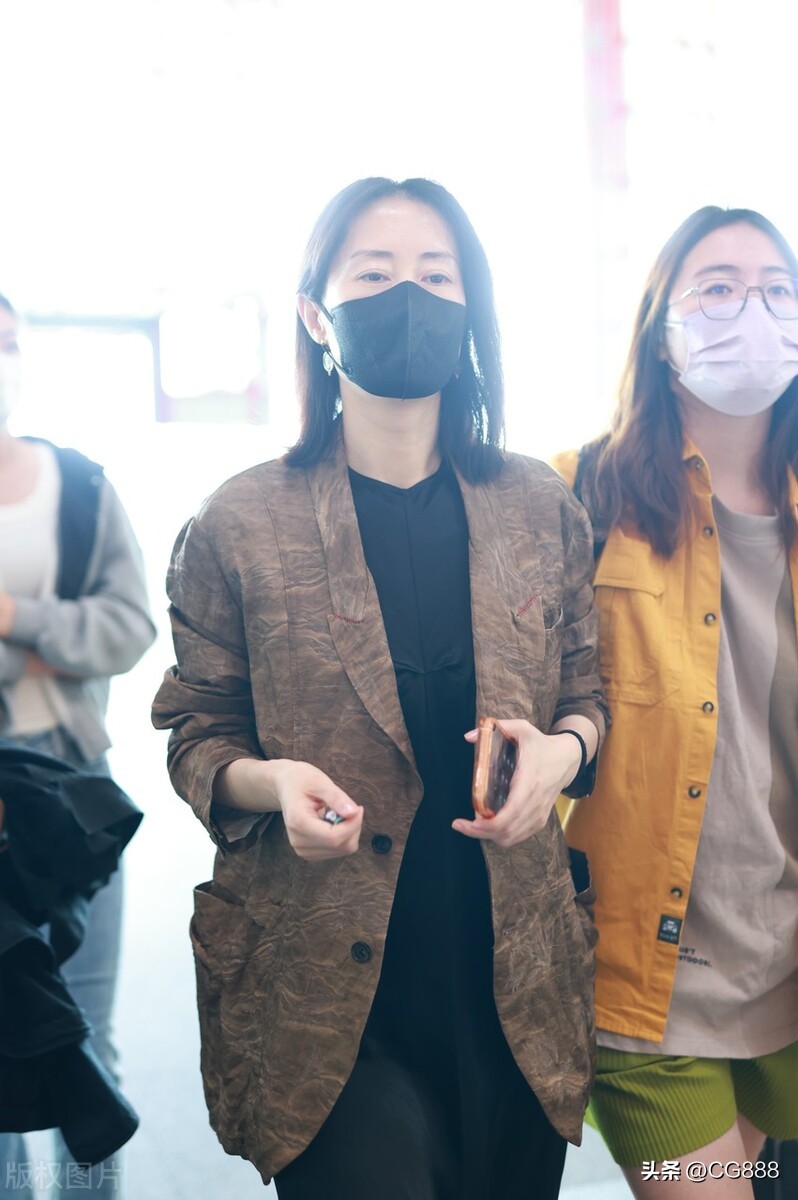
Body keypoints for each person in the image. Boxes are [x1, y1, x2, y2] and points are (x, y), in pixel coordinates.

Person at [151, 175, 609, 1200]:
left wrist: (561, 753)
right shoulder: (242, 522)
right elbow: (195, 733)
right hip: (324, 987)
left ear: (471, 308)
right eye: (375, 272)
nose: (409, 294)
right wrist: (270, 785)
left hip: (514, 977)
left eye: (436, 275)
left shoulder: (539, 504)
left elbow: (589, 690)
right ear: (318, 312)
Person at [553, 207, 798, 1200]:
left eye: (778, 288)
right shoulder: (582, 492)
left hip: (783, 961)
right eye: (718, 287)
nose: (755, 309)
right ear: (662, 330)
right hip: (647, 987)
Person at [0, 292, 156, 1200]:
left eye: (12, 343)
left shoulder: (80, 485)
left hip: (65, 796)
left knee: (84, 1035)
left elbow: (127, 625)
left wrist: (18, 616)